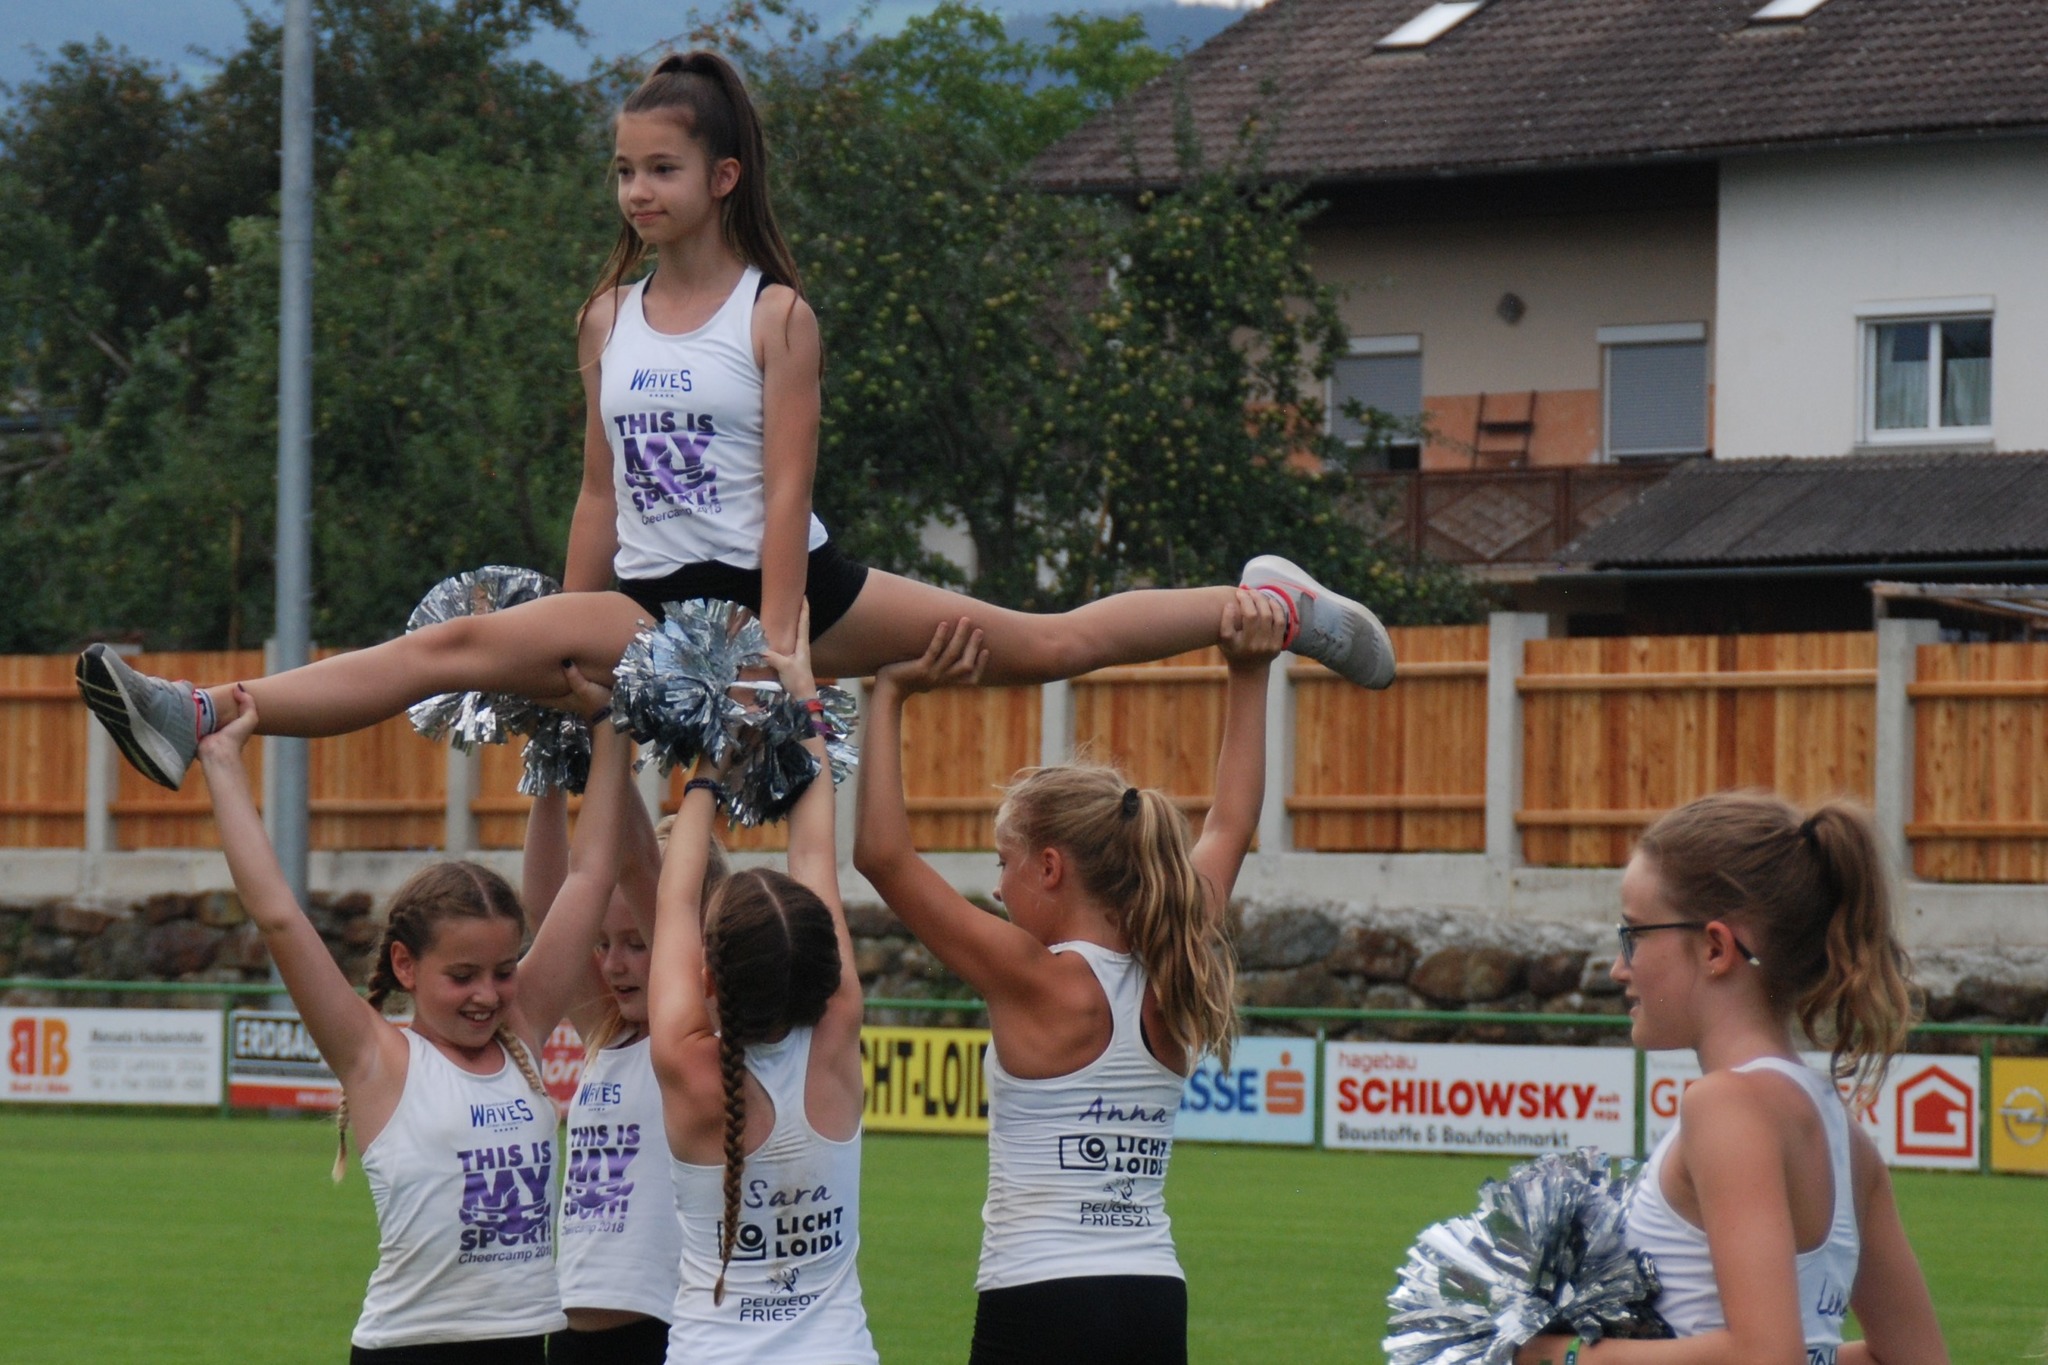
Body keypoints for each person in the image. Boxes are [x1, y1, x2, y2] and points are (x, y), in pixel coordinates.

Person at [76, 48, 1395, 793]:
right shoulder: (607, 318)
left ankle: (1269, 606)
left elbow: (783, 490)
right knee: (470, 642)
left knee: (1044, 645)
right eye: (621, 169)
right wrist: (566, 658)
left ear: (720, 177)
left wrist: (784, 651)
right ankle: (201, 711)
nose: (634, 189)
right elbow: (600, 493)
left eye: (658, 169)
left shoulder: (776, 317)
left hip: (784, 587)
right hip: (647, 602)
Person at [851, 591, 1284, 1365]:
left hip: (1041, 1298)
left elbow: (883, 855)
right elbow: (1229, 823)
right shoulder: (1173, 953)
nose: (996, 887)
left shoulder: (1030, 976)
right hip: (1154, 1294)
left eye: (1003, 863)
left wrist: (889, 696)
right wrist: (1249, 670)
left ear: (1050, 867)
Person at [196, 669, 631, 1365]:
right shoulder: (376, 1056)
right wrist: (221, 761)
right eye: (461, 976)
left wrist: (609, 727)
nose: (488, 993)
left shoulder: (522, 1029)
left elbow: (592, 874)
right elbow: (278, 914)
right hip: (409, 1349)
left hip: (526, 1345)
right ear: (406, 966)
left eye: (502, 969)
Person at [1515, 793, 1949, 1365]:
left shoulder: (1725, 1107)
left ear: (1716, 947)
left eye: (1635, 934)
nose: (1621, 967)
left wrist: (1558, 1356)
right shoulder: (1844, 1135)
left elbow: (1764, 1356)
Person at [646, 601, 879, 1362]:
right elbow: (816, 860)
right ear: (823, 974)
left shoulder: (687, 1060)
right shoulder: (840, 1024)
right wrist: (803, 692)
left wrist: (710, 761)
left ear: (708, 974)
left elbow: (674, 898)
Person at [517, 791, 726, 1365]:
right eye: (604, 944)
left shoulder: (696, 1037)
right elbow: (544, 906)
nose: (612, 965)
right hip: (570, 1323)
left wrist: (610, 728)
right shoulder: (606, 1030)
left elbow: (652, 888)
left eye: (637, 943)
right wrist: (551, 773)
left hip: (660, 1326)